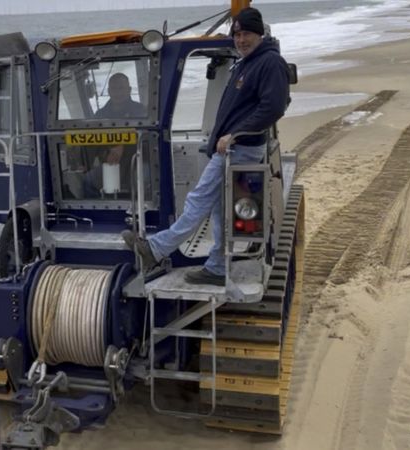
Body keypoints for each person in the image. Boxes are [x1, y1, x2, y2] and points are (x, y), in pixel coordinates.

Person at [122, 7, 290, 286]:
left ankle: (156, 248)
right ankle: (217, 267)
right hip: (231, 148)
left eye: (247, 34)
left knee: (198, 200)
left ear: (259, 34)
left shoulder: (269, 62)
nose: (241, 40)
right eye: (237, 35)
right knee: (218, 211)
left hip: (239, 149)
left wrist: (235, 134)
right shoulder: (248, 62)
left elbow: (274, 107)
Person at [81, 73, 147, 197]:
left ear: (129, 90)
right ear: (109, 91)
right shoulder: (100, 114)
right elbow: (92, 141)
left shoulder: (141, 111)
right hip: (109, 163)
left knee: (145, 181)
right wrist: (86, 162)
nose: (118, 92)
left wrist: (123, 146)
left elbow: (146, 136)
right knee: (88, 180)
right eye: (114, 88)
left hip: (137, 162)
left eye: (121, 88)